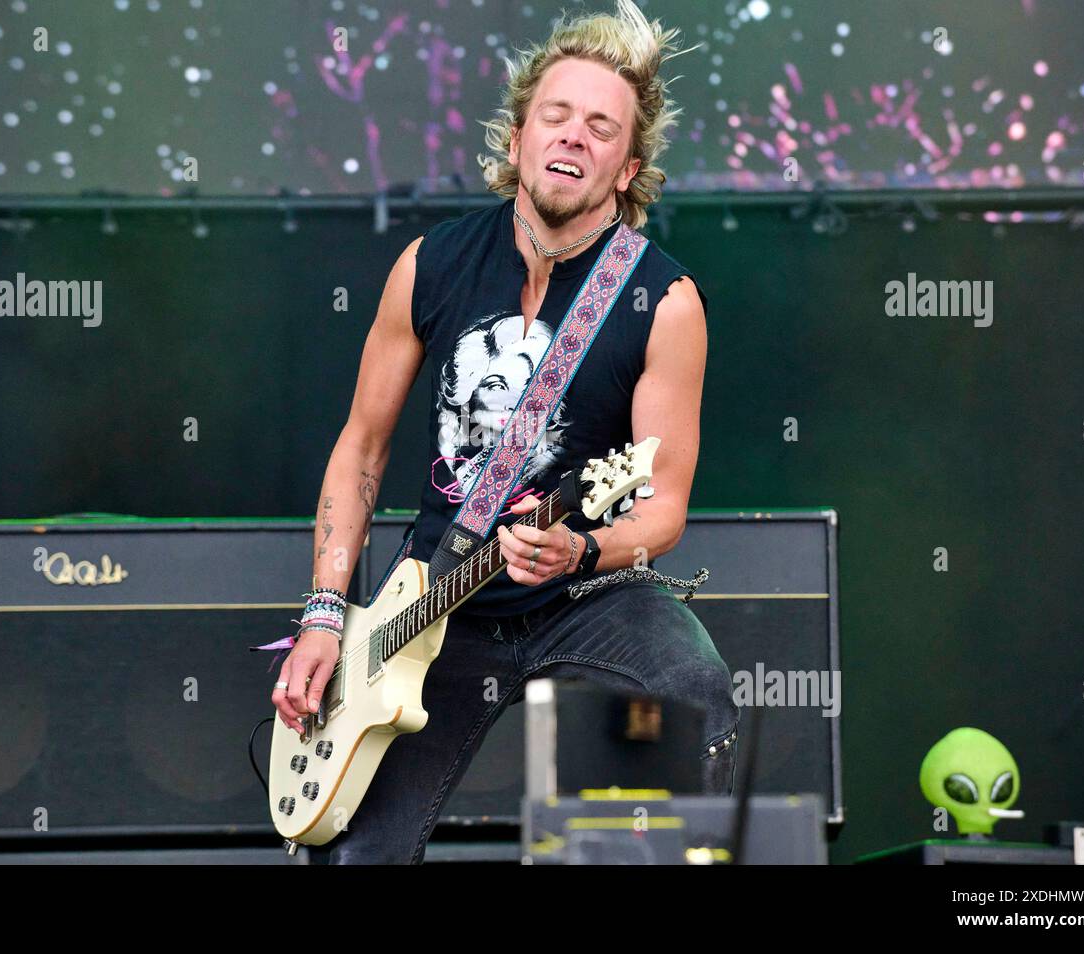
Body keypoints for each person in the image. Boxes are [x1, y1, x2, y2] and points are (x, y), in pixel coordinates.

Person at [271, 0, 738, 864]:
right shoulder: (433, 263)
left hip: (583, 593)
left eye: (601, 128)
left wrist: (583, 552)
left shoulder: (663, 303)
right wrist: (327, 612)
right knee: (356, 853)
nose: (574, 137)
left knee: (690, 682)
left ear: (629, 167)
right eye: (556, 117)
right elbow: (361, 451)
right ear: (517, 137)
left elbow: (663, 507)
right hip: (439, 596)